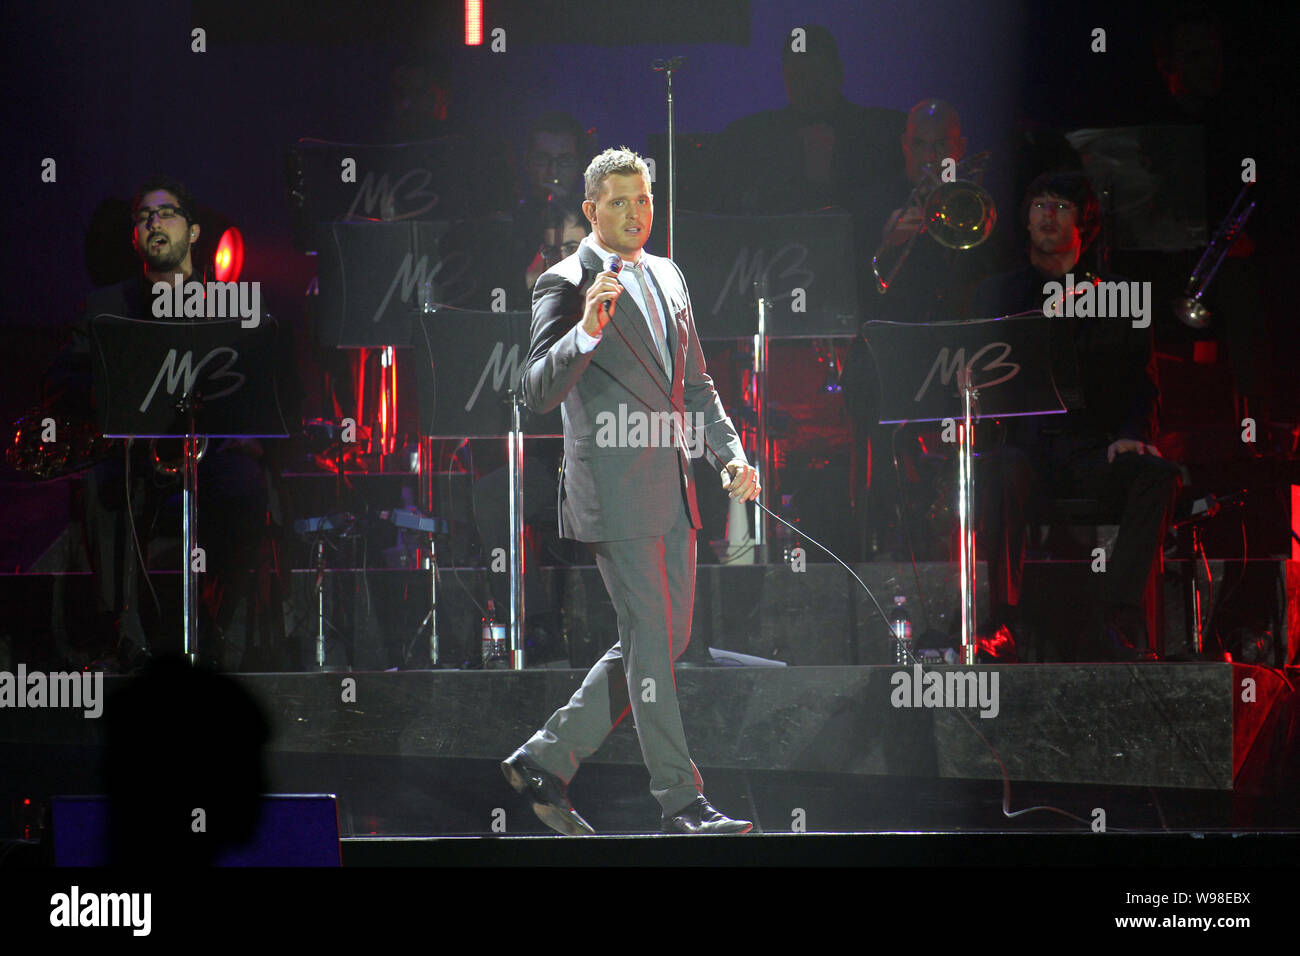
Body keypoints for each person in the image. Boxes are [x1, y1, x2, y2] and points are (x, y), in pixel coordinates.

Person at [502, 148, 760, 834]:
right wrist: (586, 331)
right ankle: (682, 799)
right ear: (590, 210)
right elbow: (533, 389)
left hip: (674, 490)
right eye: (618, 202)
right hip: (613, 494)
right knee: (651, 641)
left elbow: (696, 386)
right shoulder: (562, 280)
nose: (634, 214)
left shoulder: (669, 276)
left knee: (661, 643)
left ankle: (546, 758)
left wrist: (729, 455)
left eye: (642, 200)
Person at [43, 175, 291, 670]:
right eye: (144, 216)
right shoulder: (106, 308)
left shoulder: (234, 308)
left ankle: (215, 628)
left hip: (212, 456)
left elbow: (278, 390)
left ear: (194, 232)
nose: (154, 222)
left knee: (246, 485)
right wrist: (110, 395)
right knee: (101, 487)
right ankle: (126, 637)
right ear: (135, 237)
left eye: (167, 212)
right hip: (133, 457)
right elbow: (61, 382)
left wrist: (253, 439)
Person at [966, 171, 1182, 661]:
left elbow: (1143, 382)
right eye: (1040, 204)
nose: (1047, 215)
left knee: (1159, 475)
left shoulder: (1122, 297)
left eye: (1061, 207)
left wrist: (1131, 435)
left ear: (1084, 224)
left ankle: (1119, 617)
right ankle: (1001, 623)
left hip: (1089, 448)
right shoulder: (995, 294)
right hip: (1020, 446)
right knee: (998, 469)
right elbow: (967, 371)